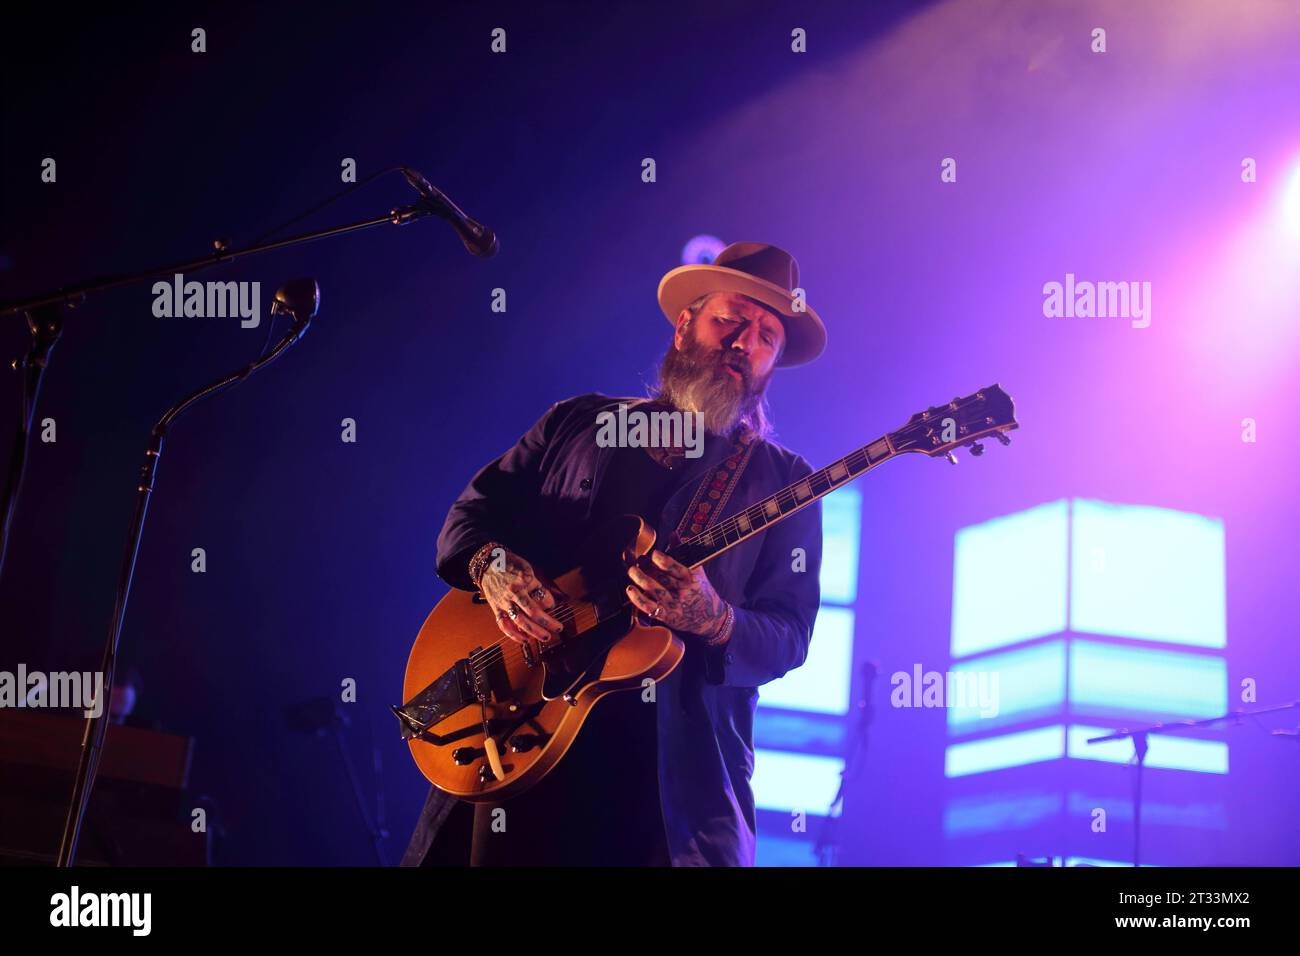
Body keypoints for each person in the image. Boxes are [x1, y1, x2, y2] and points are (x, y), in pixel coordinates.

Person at [401, 241, 826, 867]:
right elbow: (470, 517)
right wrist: (494, 568)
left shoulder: (784, 484)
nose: (745, 342)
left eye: (766, 336)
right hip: (517, 735)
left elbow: (787, 637)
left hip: (666, 792)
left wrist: (714, 619)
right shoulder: (579, 422)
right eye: (731, 318)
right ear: (685, 325)